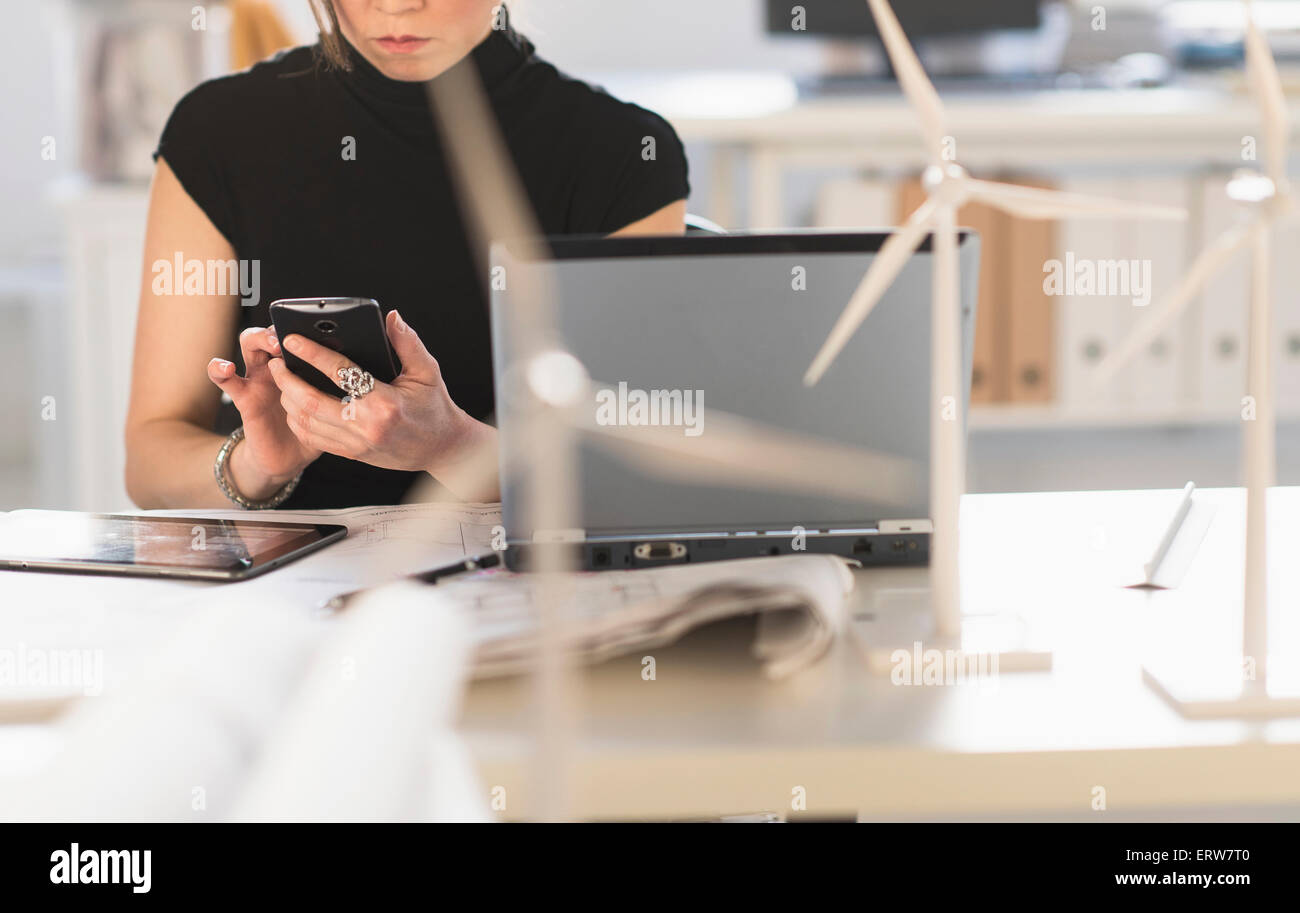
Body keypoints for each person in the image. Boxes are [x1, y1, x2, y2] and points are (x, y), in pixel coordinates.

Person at [125, 0, 689, 510]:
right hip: (287, 598)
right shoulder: (217, 132)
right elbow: (150, 463)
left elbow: (632, 475)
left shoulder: (625, 154)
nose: (395, 5)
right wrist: (259, 463)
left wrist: (451, 448)